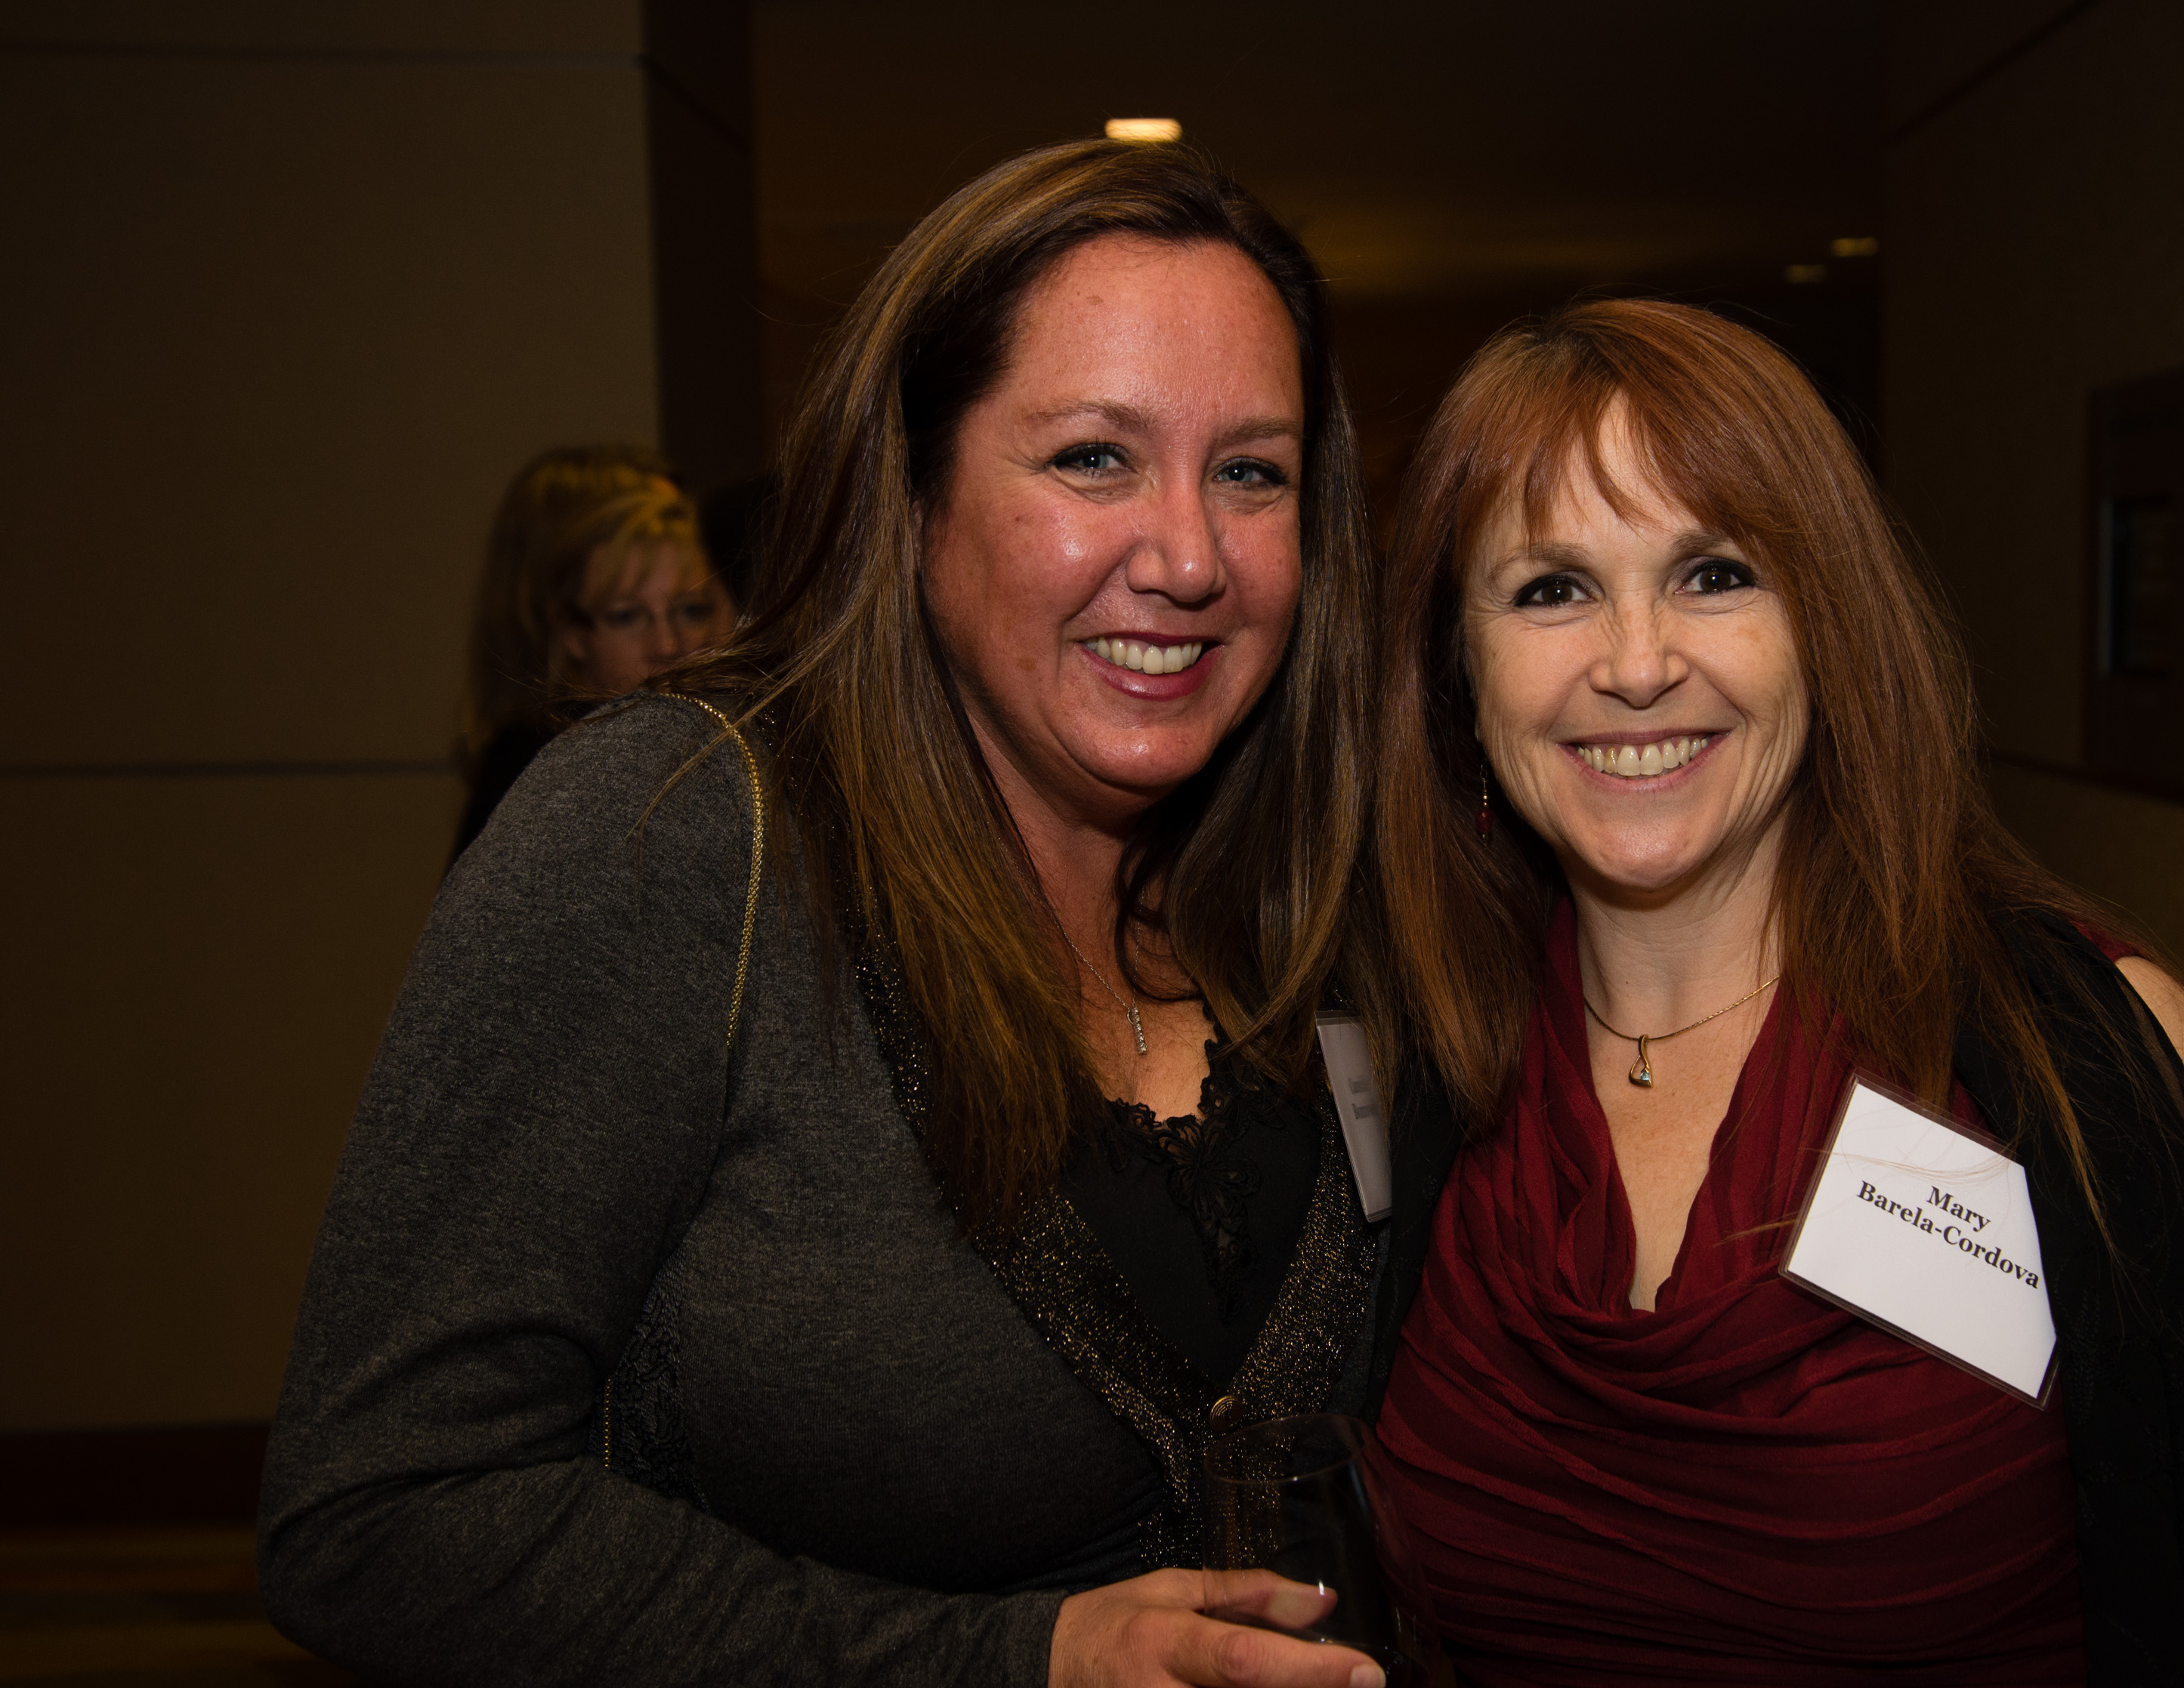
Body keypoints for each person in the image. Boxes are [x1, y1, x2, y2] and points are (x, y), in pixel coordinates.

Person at [261, 140, 1440, 1688]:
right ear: (919, 477)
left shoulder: (1314, 879)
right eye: (1092, 456)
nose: (1189, 556)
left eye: (1251, 472)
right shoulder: (679, 836)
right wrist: (1006, 1662)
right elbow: (379, 1514)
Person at [1364, 300, 2184, 1686]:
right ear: (1454, 677)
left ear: (1825, 627)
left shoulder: (2087, 1060)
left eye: (1716, 573)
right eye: (1552, 588)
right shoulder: (1410, 1081)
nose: (1640, 661)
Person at [452, 451, 736, 859]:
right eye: (626, 616)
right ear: (569, 630)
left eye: (692, 610)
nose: (669, 646)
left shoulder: (709, 747)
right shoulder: (549, 775)